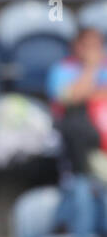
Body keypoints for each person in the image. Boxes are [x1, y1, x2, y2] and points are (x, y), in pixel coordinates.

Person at [47, 27, 107, 179]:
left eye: (96, 45)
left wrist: (89, 94)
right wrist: (91, 67)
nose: (92, 51)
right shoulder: (62, 70)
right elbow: (71, 99)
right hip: (84, 141)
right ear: (76, 46)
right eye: (87, 45)